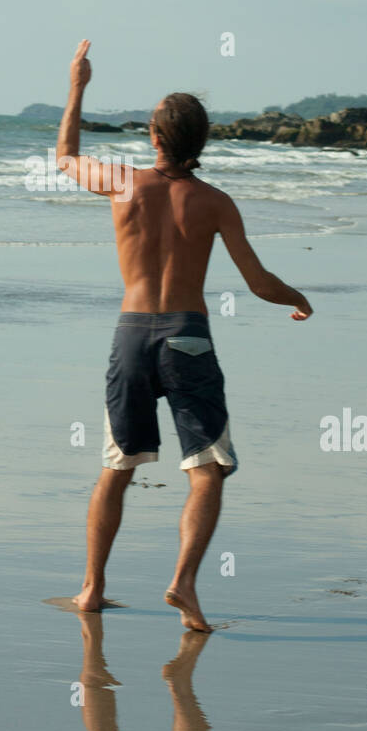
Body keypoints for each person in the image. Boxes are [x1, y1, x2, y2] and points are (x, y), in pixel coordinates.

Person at [57, 39, 313, 631]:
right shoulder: (216, 202)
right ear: (202, 141)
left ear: (153, 136)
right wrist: (297, 299)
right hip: (188, 336)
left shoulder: (123, 186)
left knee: (117, 466)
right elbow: (257, 281)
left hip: (131, 335)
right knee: (207, 468)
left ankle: (92, 588)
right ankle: (185, 585)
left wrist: (77, 84)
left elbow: (66, 156)